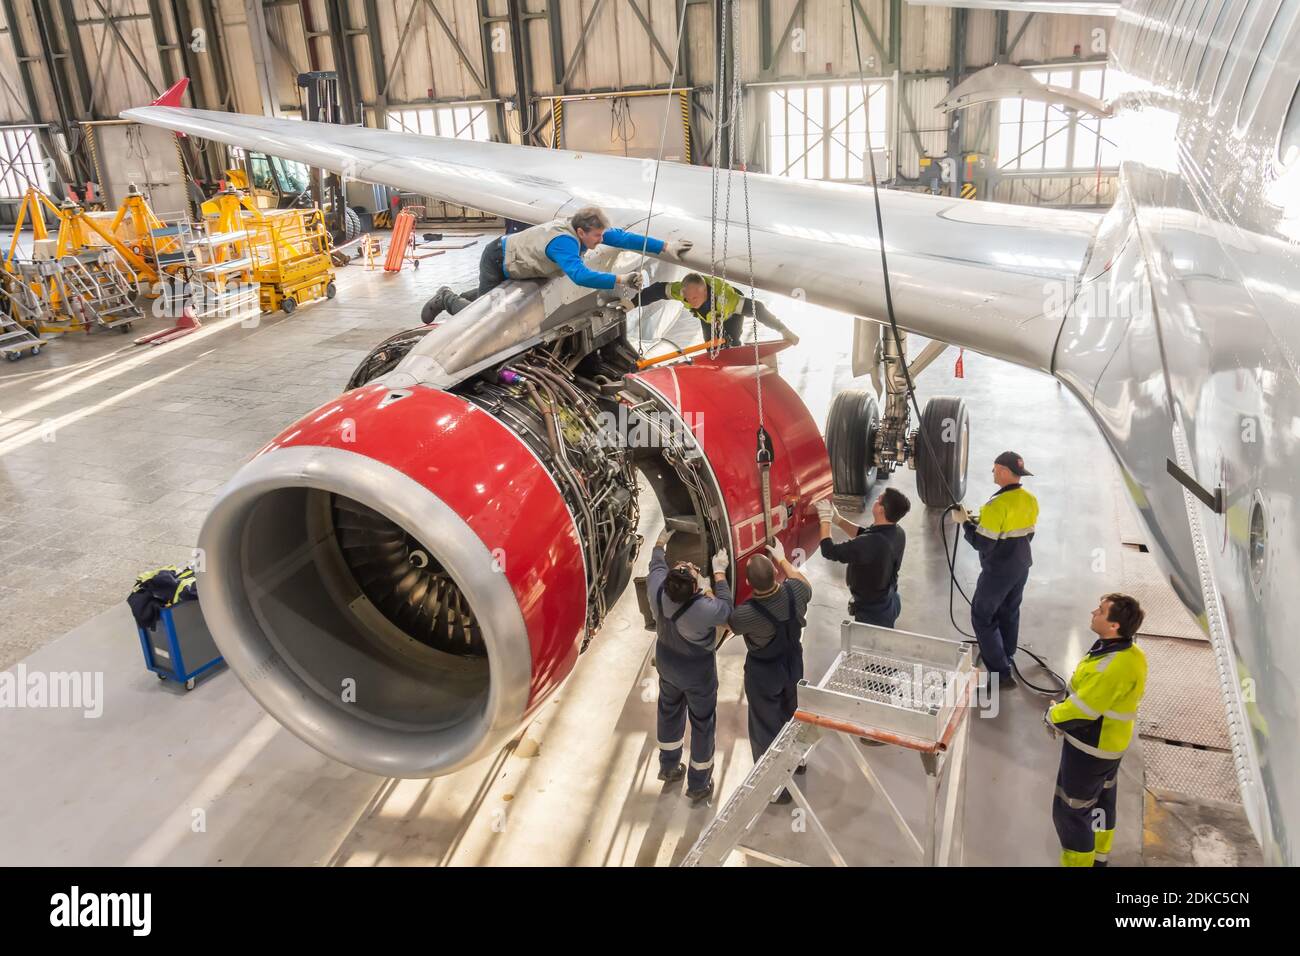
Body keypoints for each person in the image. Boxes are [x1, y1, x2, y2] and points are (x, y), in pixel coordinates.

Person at [421, 206, 690, 321]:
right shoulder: (564, 244)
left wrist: (666, 247)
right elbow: (580, 276)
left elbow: (623, 237)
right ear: (581, 232)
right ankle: (446, 297)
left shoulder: (585, 228)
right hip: (498, 259)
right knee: (485, 315)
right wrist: (621, 279)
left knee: (489, 294)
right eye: (597, 237)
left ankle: (468, 294)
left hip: (520, 261)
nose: (601, 241)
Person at [1045, 594, 1148, 867]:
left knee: (1072, 812)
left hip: (1089, 749)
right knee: (1101, 802)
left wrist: (1053, 716)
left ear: (1114, 625)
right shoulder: (1132, 654)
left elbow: (1084, 710)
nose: (1093, 612)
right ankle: (1099, 858)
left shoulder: (1110, 666)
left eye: (1100, 611)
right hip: (1112, 745)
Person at [646, 526, 733, 804]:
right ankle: (699, 782)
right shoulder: (703, 609)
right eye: (692, 570)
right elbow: (727, 609)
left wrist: (660, 543)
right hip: (697, 672)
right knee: (703, 723)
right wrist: (718, 574)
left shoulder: (657, 589)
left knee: (669, 711)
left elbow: (656, 563)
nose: (690, 565)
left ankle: (669, 766)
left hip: (667, 663)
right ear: (695, 589)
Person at [727, 539, 811, 804]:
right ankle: (797, 762)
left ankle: (776, 790)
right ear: (775, 572)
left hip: (764, 673)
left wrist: (717, 580)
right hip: (793, 664)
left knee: (765, 728)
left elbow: (727, 623)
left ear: (749, 583)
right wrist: (782, 558)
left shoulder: (745, 615)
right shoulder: (795, 591)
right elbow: (804, 583)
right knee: (793, 714)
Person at [950, 451, 1040, 687]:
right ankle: (1005, 654)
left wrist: (964, 523)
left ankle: (1000, 674)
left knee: (982, 616)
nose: (992, 472)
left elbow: (983, 544)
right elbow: (1025, 532)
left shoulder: (995, 505)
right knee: (1009, 611)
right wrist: (978, 522)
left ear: (1003, 471)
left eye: (995, 469)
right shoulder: (1030, 499)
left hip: (998, 571)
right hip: (1021, 564)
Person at [817, 488, 910, 627]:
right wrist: (838, 519)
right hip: (890, 600)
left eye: (878, 500)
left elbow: (829, 550)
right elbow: (864, 534)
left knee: (871, 641)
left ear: (881, 510)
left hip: (873, 613)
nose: (875, 500)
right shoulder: (897, 531)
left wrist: (825, 519)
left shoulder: (872, 543)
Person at [636, 273, 798, 347]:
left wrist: (783, 329)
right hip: (707, 315)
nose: (690, 302)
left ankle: (735, 351)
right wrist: (633, 303)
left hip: (729, 313)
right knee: (711, 346)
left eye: (694, 298)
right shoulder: (684, 291)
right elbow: (657, 290)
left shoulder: (729, 301)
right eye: (688, 298)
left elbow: (758, 308)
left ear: (704, 293)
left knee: (732, 342)